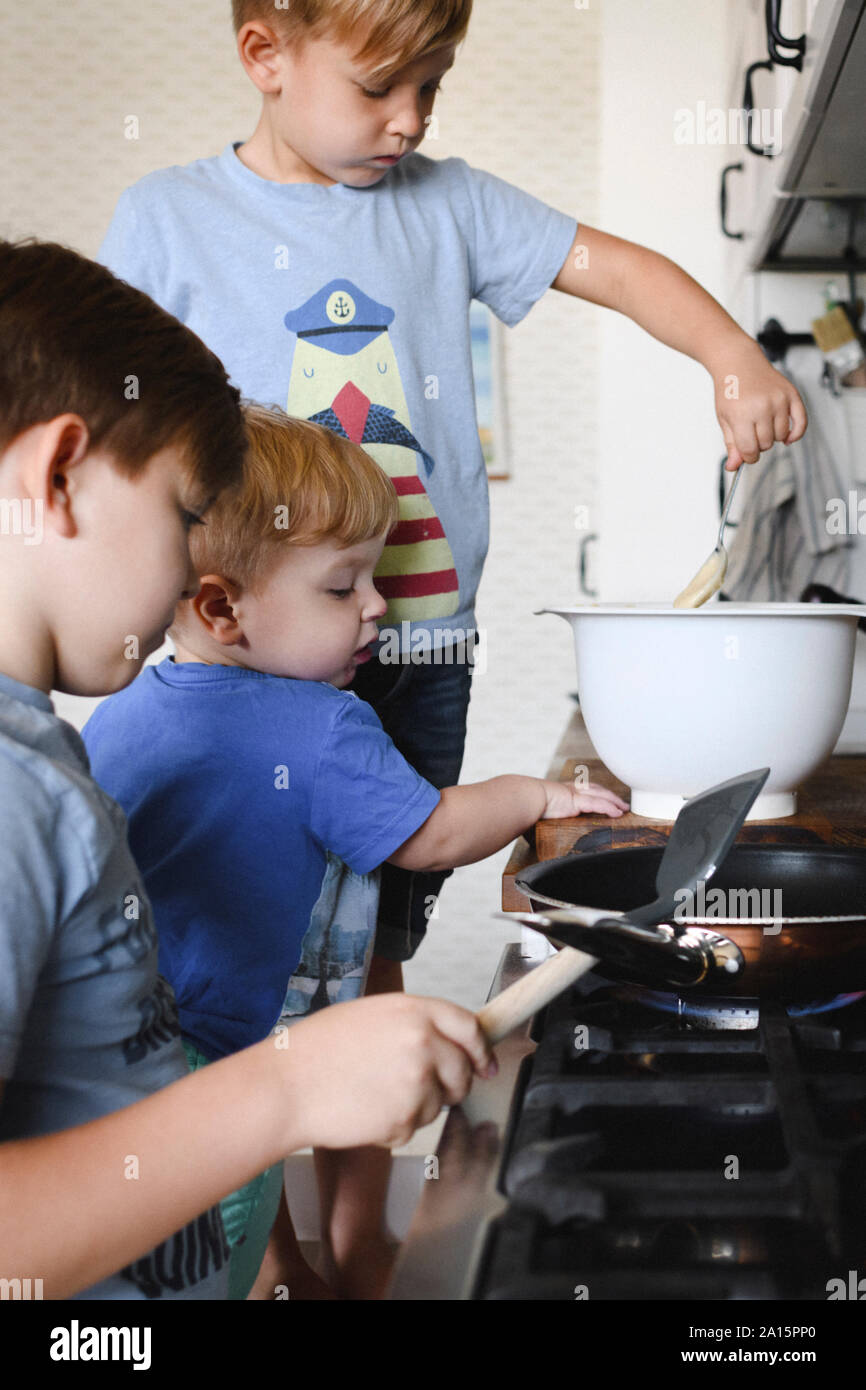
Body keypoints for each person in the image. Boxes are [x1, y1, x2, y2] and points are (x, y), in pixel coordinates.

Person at [97, 0, 807, 992]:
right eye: (377, 87)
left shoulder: (452, 204)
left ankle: (353, 1127)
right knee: (218, 926)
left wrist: (728, 352)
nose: (411, 119)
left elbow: (614, 267)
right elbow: (108, 432)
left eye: (430, 85)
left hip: (422, 646)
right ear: (264, 54)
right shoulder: (168, 217)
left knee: (371, 939)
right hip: (237, 662)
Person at [0, 237, 497, 1302]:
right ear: (55, 477)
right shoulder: (8, 794)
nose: (192, 570)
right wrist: (285, 1092)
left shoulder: (45, 749)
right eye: (183, 516)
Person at [81, 403, 628, 1298]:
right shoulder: (324, 725)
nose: (378, 606)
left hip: (131, 1066)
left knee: (205, 1253)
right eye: (343, 588)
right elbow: (433, 833)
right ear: (222, 607)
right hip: (233, 1063)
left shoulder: (123, 715)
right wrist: (537, 794)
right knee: (224, 1233)